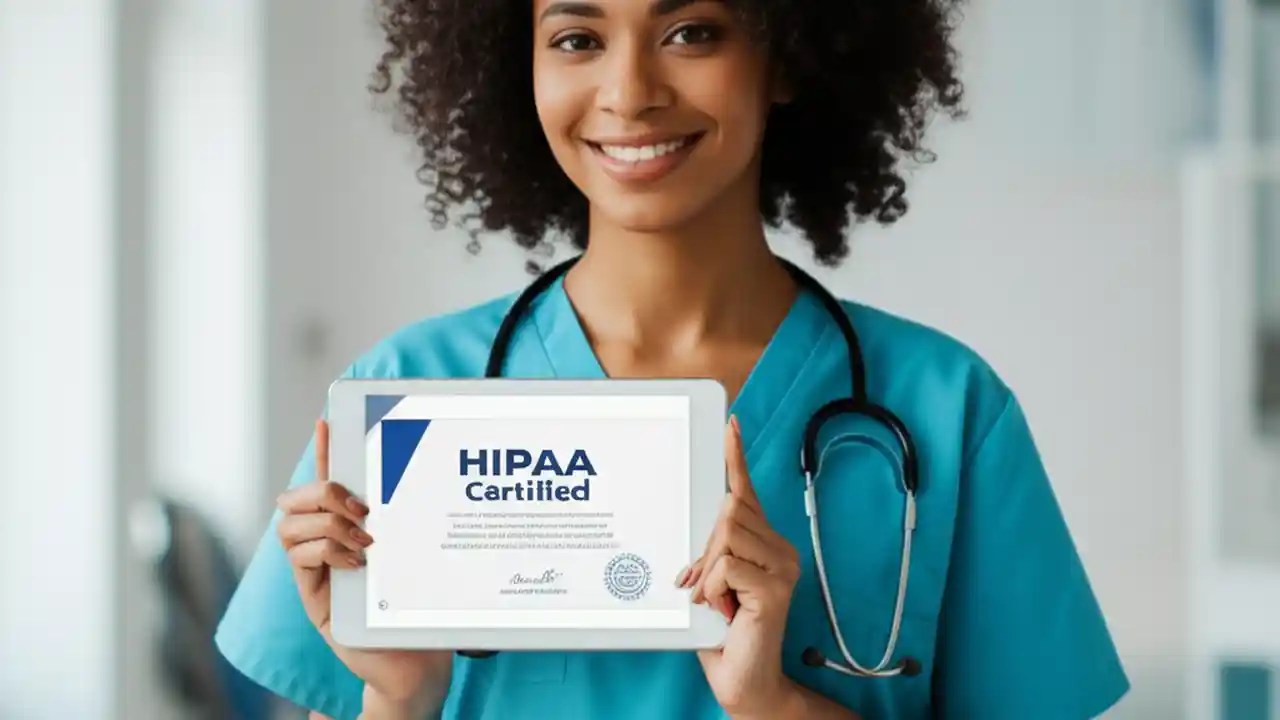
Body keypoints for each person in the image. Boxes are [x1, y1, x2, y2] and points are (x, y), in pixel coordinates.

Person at [215, 0, 1131, 718]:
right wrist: (400, 699)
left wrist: (775, 707)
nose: (629, 92)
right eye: (576, 38)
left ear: (787, 54)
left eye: (691, 31)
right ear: (516, 63)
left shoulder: (943, 408)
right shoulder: (403, 393)